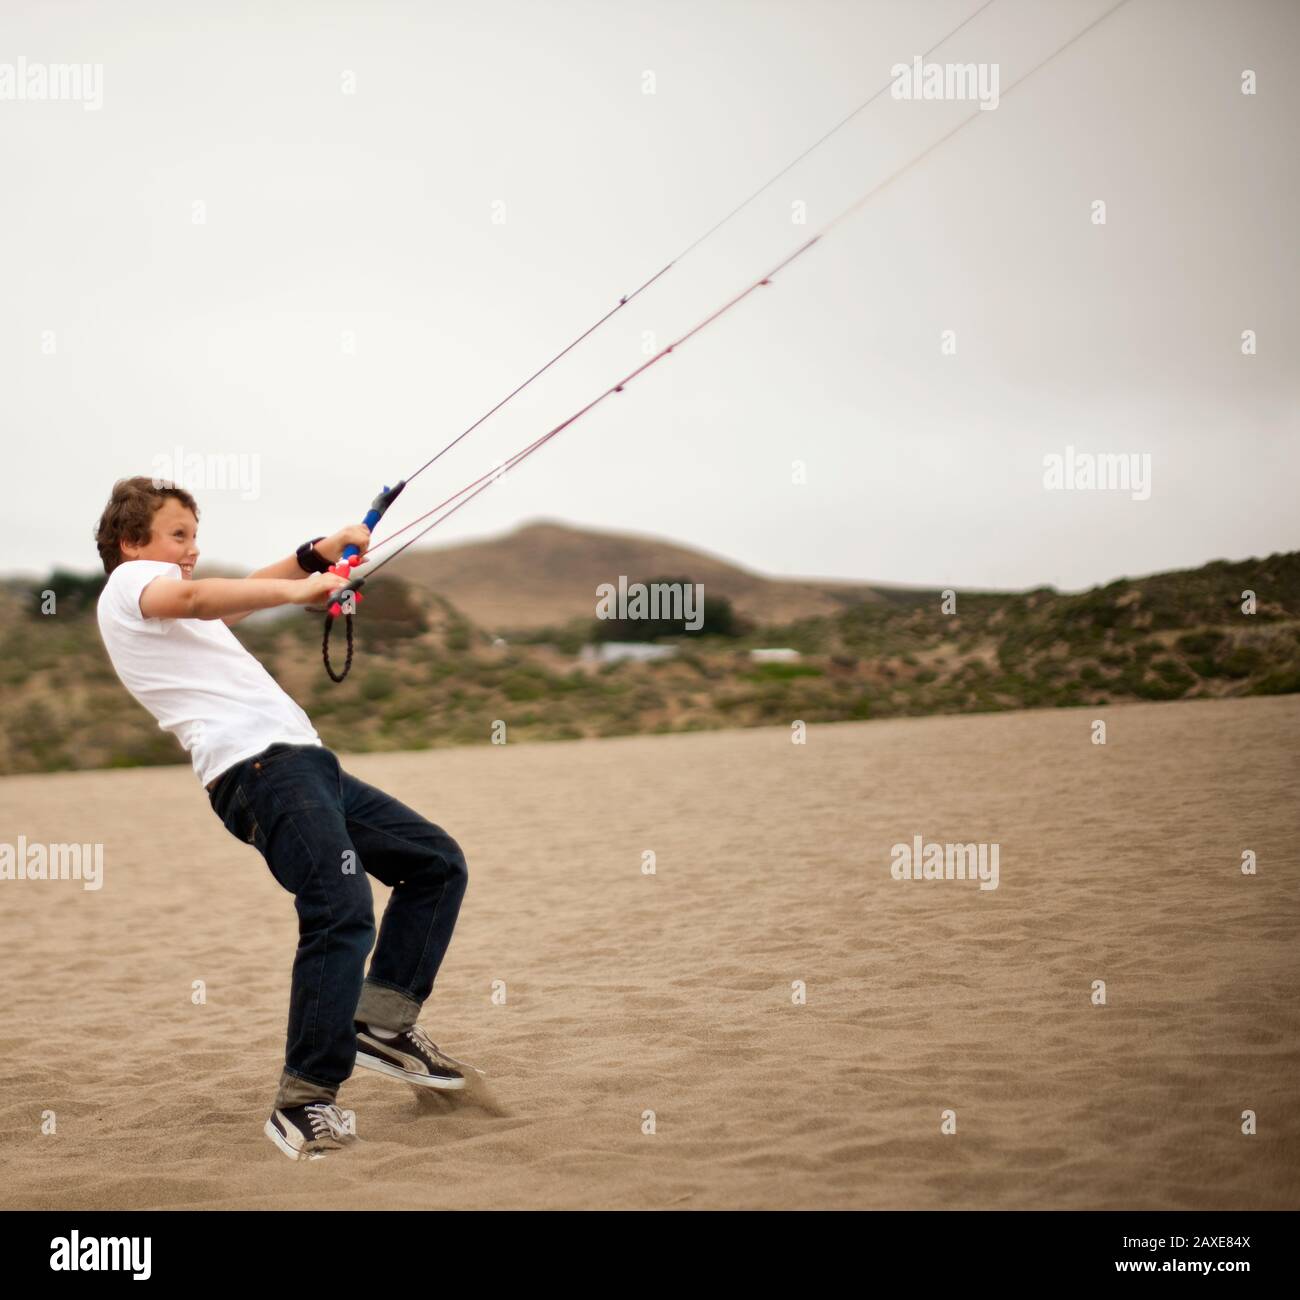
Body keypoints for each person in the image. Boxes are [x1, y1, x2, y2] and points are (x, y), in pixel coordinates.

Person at [93, 476, 473, 1160]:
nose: (192, 549)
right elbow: (200, 594)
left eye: (194, 536)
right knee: (338, 907)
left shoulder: (173, 607)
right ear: (130, 543)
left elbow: (220, 599)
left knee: (434, 863)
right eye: (178, 534)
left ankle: (383, 1026)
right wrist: (303, 591)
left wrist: (316, 554)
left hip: (307, 766)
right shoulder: (132, 585)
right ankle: (304, 1103)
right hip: (260, 770)